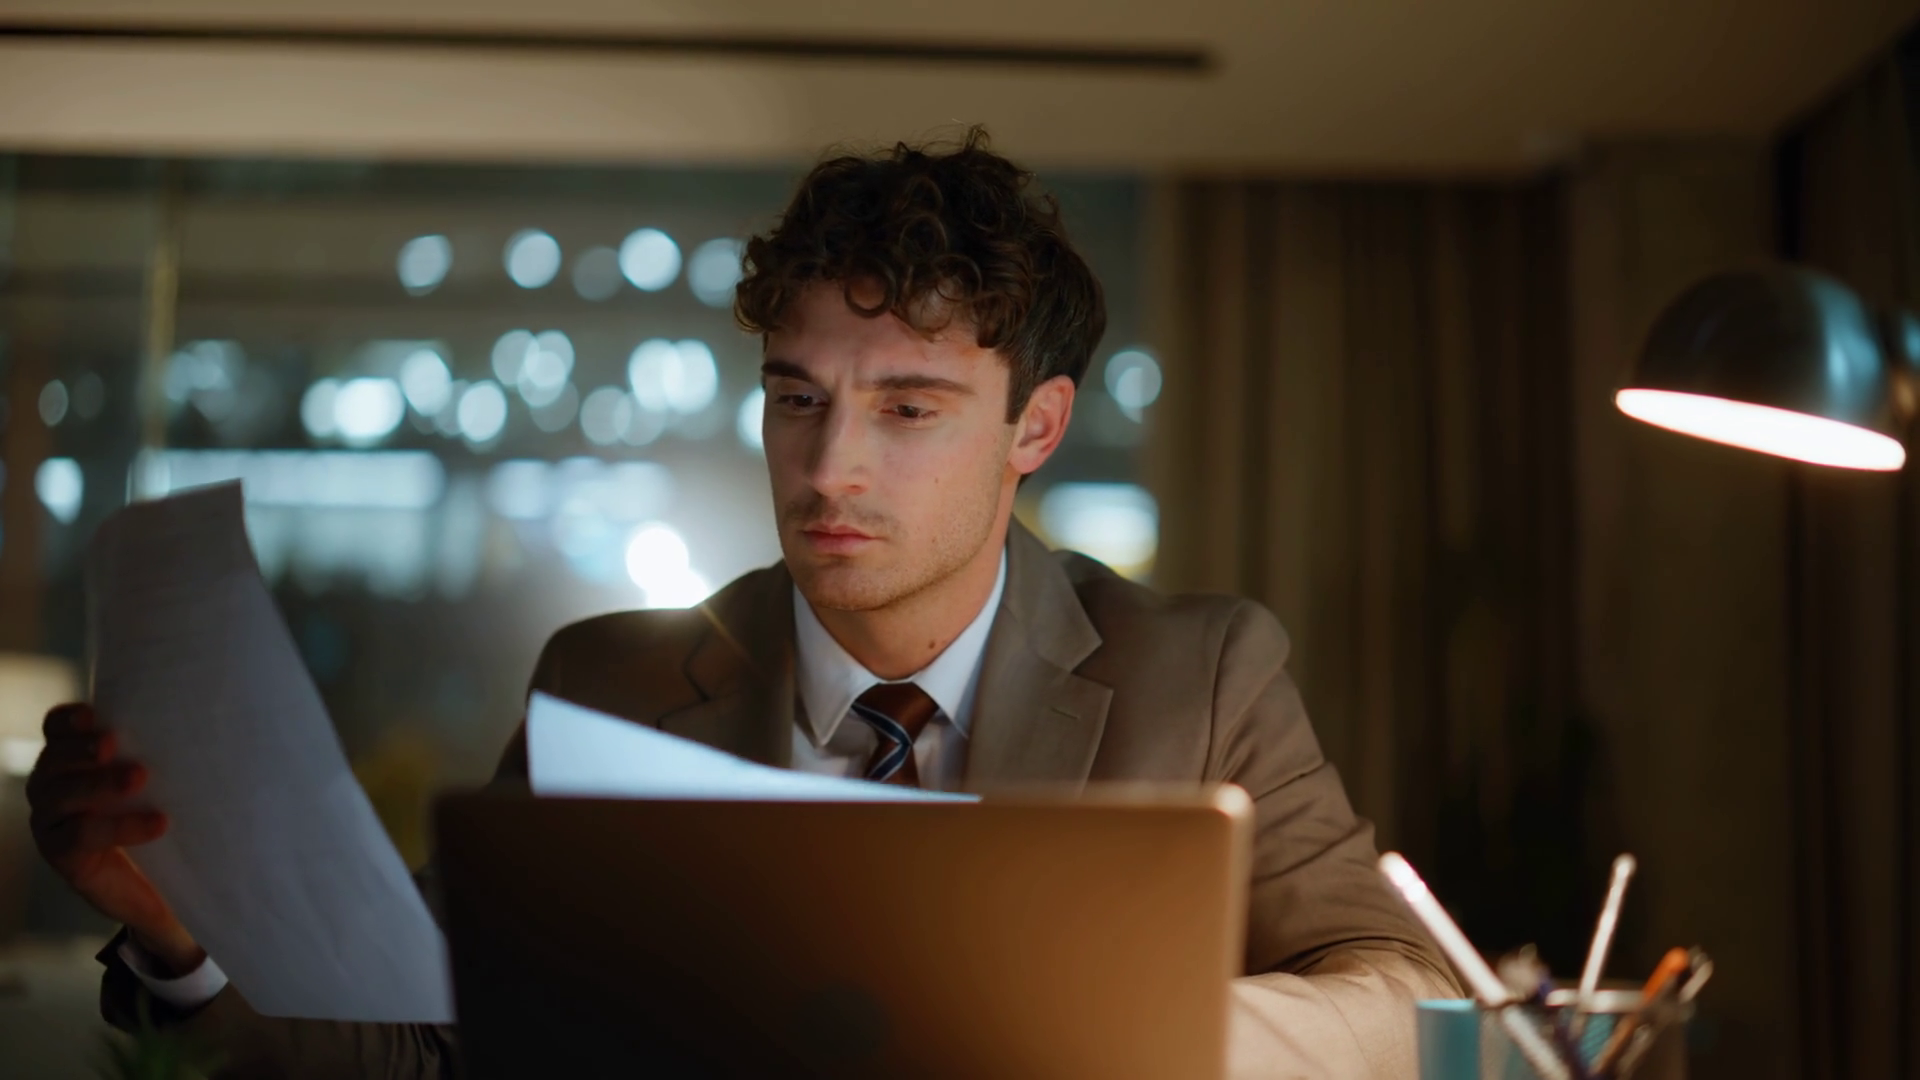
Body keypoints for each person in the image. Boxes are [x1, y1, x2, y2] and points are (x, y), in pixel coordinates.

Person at [28, 128, 1460, 1078]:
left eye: (909, 408)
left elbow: (1401, 994)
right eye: (797, 399)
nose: (831, 466)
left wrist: (1099, 1034)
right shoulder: (609, 682)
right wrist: (179, 938)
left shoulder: (1198, 672)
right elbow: (439, 1049)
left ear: (1036, 429)